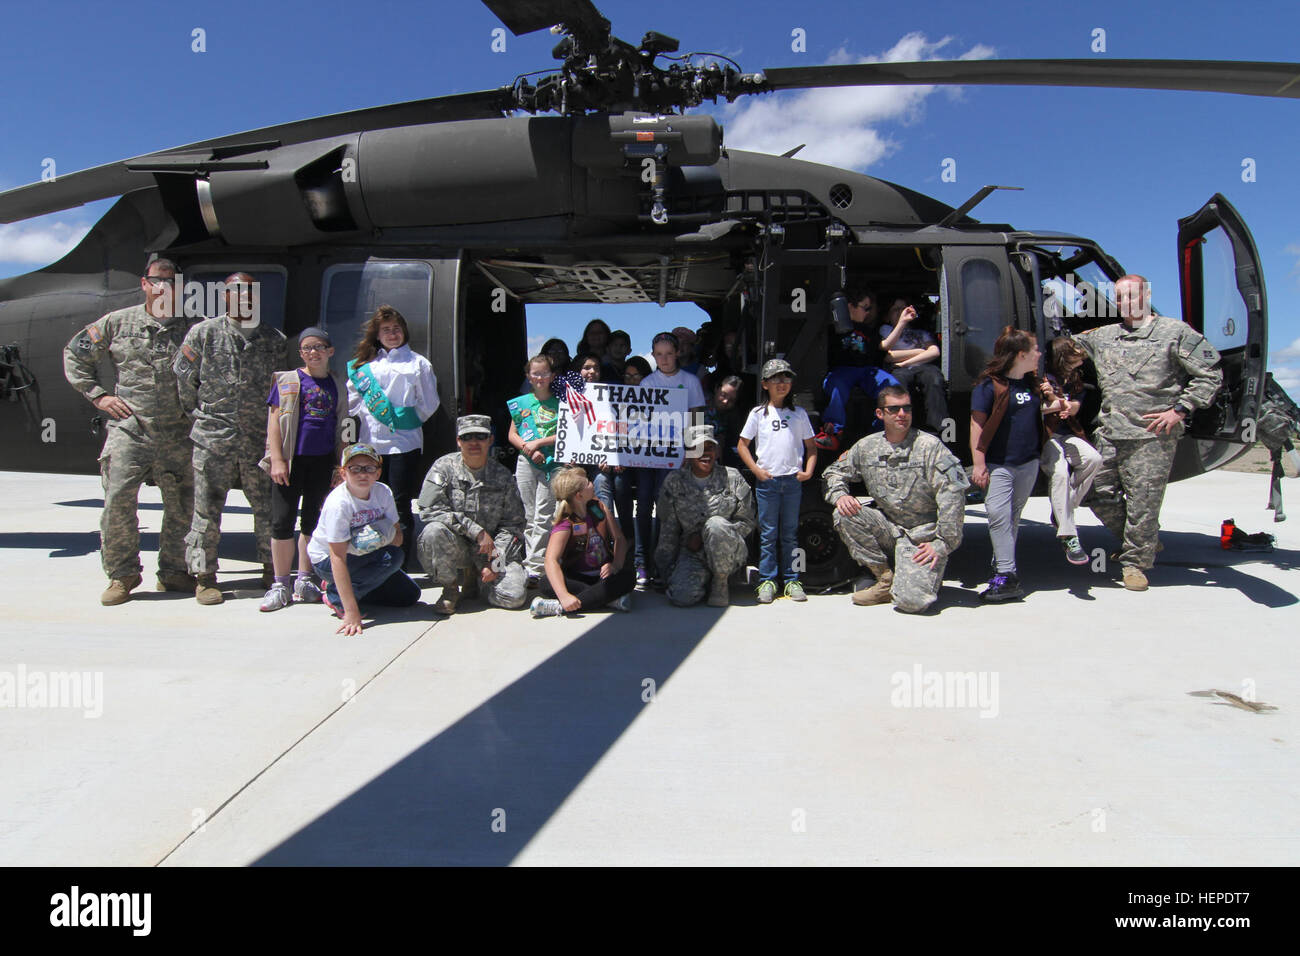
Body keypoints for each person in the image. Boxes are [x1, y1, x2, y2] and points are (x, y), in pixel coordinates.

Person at [63, 258, 200, 605]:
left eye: (171, 282)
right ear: (144, 284)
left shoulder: (194, 327)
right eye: (157, 281)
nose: (163, 288)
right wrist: (99, 396)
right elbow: (75, 354)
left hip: (178, 432)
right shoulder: (117, 323)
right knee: (118, 501)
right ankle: (121, 576)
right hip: (131, 429)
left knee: (183, 505)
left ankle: (174, 572)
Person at [1075, 274, 1223, 590]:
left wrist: (1180, 409)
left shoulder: (1175, 332)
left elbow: (1210, 374)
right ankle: (1144, 540)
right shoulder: (1104, 335)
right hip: (1111, 432)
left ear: (1146, 294)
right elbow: (1064, 348)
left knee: (1144, 504)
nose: (1125, 303)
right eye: (1119, 297)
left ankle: (1135, 564)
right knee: (1093, 491)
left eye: (1131, 296)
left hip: (1152, 436)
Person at [174, 273, 288, 605]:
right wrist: (201, 417)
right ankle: (204, 577)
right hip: (213, 441)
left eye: (249, 292)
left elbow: (280, 391)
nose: (243, 297)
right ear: (225, 296)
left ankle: (273, 570)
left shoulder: (273, 339)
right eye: (236, 291)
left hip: (257, 442)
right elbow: (184, 380)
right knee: (205, 511)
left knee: (266, 509)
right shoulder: (203, 334)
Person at [823, 385, 967, 613]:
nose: (902, 414)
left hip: (922, 536)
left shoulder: (929, 447)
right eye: (894, 409)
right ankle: (884, 579)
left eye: (907, 408)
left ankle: (909, 577)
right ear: (880, 414)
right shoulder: (867, 446)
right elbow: (834, 471)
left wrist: (942, 543)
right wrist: (840, 494)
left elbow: (954, 494)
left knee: (911, 603)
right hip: (888, 527)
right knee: (844, 513)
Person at [259, 326, 346, 611]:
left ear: (330, 351)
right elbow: (274, 422)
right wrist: (277, 459)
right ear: (301, 353)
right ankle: (280, 582)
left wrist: (339, 465)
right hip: (291, 459)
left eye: (319, 347)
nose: (313, 352)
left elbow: (343, 427)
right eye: (307, 348)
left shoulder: (337, 384)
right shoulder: (287, 380)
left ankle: (304, 579)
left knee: (312, 522)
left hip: (322, 461)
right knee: (282, 521)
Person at [346, 305, 440, 563]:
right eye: (386, 330)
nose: (392, 334)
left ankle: (398, 562)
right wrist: (372, 413)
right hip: (371, 445)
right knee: (370, 503)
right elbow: (352, 402)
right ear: (377, 334)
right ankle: (373, 557)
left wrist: (403, 420)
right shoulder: (364, 366)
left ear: (404, 332)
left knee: (399, 504)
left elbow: (429, 403)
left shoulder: (418, 363)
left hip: (404, 444)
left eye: (396, 329)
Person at [969, 327, 1053, 602]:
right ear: (1021, 354)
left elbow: (1046, 411)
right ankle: (1008, 575)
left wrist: (1056, 401)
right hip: (998, 464)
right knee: (997, 515)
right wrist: (979, 464)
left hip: (1027, 463)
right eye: (1035, 349)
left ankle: (1002, 569)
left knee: (1012, 517)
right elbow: (977, 424)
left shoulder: (1033, 384)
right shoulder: (989, 385)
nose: (1039, 353)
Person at [416, 415, 528, 614]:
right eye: (467, 437)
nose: (474, 442)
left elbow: (514, 525)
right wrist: (476, 531)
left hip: (491, 550)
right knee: (432, 532)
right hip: (455, 545)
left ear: (490, 440)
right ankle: (450, 589)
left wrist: (495, 561)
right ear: (459, 441)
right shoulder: (443, 467)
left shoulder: (502, 476)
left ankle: (479, 582)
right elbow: (429, 510)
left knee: (514, 597)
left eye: (480, 436)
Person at [308, 443, 421, 636]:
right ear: (343, 473)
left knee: (409, 595)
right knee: (392, 558)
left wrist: (372, 540)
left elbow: (398, 536)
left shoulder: (383, 492)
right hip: (327, 560)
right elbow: (337, 557)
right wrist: (351, 612)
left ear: (378, 473)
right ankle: (336, 596)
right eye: (355, 469)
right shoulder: (339, 504)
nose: (362, 474)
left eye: (369, 468)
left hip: (367, 555)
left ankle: (349, 586)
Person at [737, 359, 816, 604]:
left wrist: (808, 471)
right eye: (776, 379)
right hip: (768, 483)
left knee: (791, 533)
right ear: (765, 384)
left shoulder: (799, 414)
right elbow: (743, 445)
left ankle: (793, 578)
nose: (782, 384)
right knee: (768, 533)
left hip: (792, 481)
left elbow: (811, 447)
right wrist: (756, 471)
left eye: (786, 379)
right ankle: (767, 580)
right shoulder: (758, 414)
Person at [653, 425, 756, 607]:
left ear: (716, 452)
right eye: (698, 448)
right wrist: (669, 573)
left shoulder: (732, 478)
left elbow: (747, 522)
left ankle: (721, 583)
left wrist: (706, 536)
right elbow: (668, 533)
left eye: (709, 448)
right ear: (689, 453)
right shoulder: (675, 482)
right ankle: (703, 580)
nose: (705, 453)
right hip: (693, 555)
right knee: (681, 597)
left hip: (729, 552)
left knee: (716, 525)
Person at [530, 465, 636, 617]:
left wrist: (615, 565)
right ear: (579, 495)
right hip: (577, 576)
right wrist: (563, 595)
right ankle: (606, 599)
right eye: (588, 483)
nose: (592, 483)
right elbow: (550, 560)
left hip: (603, 575)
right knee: (546, 582)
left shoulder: (598, 507)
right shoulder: (566, 522)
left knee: (629, 576)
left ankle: (559, 607)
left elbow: (619, 539)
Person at [1039, 337, 1103, 566]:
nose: (1081, 354)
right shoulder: (1043, 377)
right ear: (1063, 356)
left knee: (1094, 459)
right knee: (1061, 473)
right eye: (1075, 351)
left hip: (1068, 433)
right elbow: (1040, 408)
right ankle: (1068, 535)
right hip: (1046, 436)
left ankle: (1062, 511)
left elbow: (1075, 405)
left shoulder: (1075, 378)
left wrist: (1064, 406)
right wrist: (1058, 404)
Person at [815, 283, 900, 452]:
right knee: (837, 386)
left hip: (867, 371)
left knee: (892, 386)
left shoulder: (868, 330)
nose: (867, 312)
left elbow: (883, 346)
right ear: (849, 306)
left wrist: (902, 322)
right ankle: (833, 431)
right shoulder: (832, 328)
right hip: (842, 369)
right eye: (865, 307)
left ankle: (883, 429)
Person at [507, 354, 562, 583]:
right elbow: (512, 434)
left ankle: (536, 568)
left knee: (544, 515)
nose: (540, 378)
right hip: (526, 463)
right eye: (536, 373)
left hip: (552, 464)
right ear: (529, 376)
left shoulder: (562, 403)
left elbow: (565, 434)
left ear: (552, 376)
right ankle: (533, 560)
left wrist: (539, 443)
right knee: (529, 515)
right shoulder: (521, 404)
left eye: (545, 373)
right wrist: (529, 449)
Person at [879, 296, 950, 436]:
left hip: (919, 366)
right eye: (896, 309)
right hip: (899, 369)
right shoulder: (886, 330)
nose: (900, 312)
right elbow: (888, 355)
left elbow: (934, 351)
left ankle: (938, 430)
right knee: (899, 384)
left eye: (903, 308)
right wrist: (919, 351)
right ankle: (901, 429)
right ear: (887, 316)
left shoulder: (921, 333)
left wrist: (905, 362)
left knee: (934, 378)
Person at [704, 374, 745, 468]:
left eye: (731, 400)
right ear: (716, 388)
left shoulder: (732, 416)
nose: (725, 401)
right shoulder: (699, 401)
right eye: (723, 395)